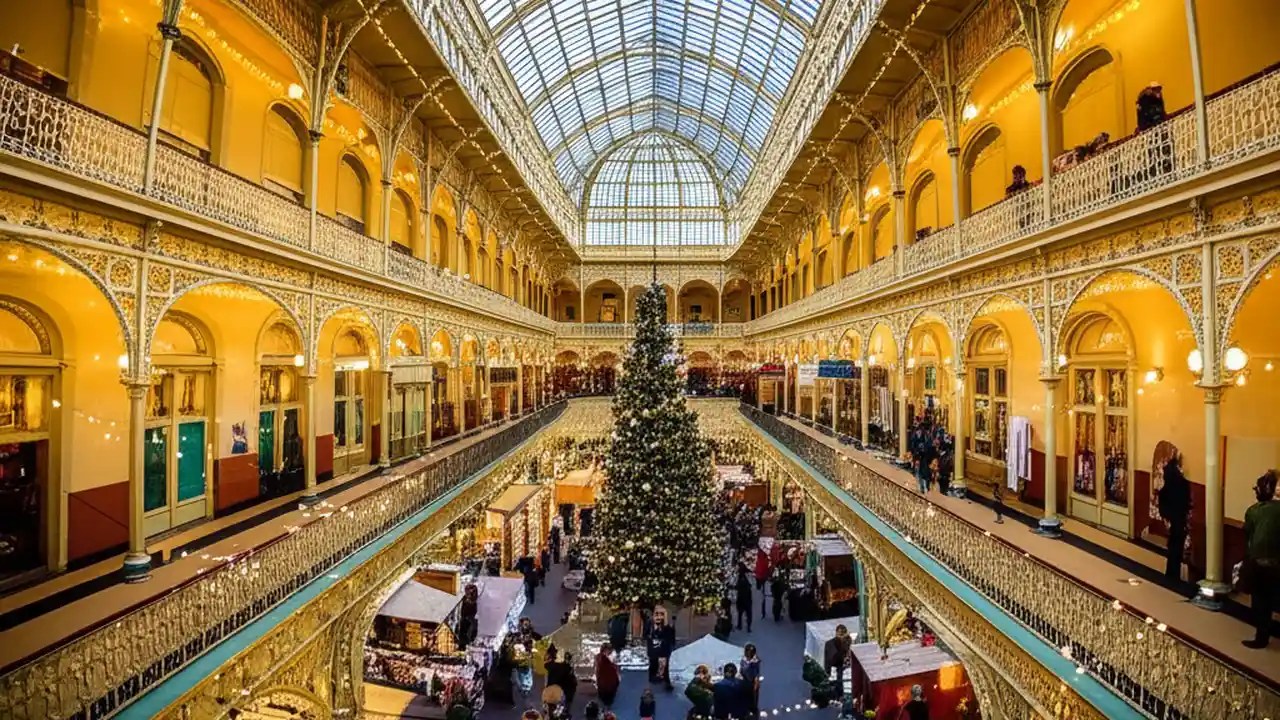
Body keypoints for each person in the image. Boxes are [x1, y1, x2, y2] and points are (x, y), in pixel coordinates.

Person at [1243, 470, 1280, 649]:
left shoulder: (1253, 512)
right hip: (1277, 564)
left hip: (1259, 563)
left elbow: (1248, 536)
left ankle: (1261, 638)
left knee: (1261, 602)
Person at [1157, 453, 1192, 581]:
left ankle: (1170, 572)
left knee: (1172, 546)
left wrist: (1166, 517)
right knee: (1178, 546)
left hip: (1172, 519)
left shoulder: (1167, 487)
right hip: (1180, 518)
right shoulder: (1183, 485)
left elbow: (1163, 503)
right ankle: (1175, 572)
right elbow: (1188, 502)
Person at [647, 607, 676, 690]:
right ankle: (653, 680)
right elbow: (646, 636)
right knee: (653, 664)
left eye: (661, 614)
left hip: (664, 651)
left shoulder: (668, 628)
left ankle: (666, 682)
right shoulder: (650, 627)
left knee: (664, 666)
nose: (659, 617)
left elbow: (671, 640)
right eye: (657, 614)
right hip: (653, 651)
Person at [824, 623, 852, 697]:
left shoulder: (848, 641)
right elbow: (830, 660)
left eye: (843, 634)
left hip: (846, 669)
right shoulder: (830, 644)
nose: (841, 637)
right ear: (836, 633)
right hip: (836, 668)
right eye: (840, 634)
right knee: (838, 685)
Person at [740, 643, 761, 717]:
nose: (748, 654)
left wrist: (755, 684)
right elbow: (742, 670)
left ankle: (753, 712)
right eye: (747, 652)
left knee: (753, 700)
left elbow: (756, 674)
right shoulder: (743, 660)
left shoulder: (755, 662)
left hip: (752, 682)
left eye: (750, 652)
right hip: (745, 682)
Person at [735, 568, 753, 632]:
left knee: (740, 613)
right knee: (748, 614)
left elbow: (737, 587)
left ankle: (740, 625)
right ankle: (748, 627)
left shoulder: (740, 579)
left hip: (741, 598)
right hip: (747, 598)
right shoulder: (747, 578)